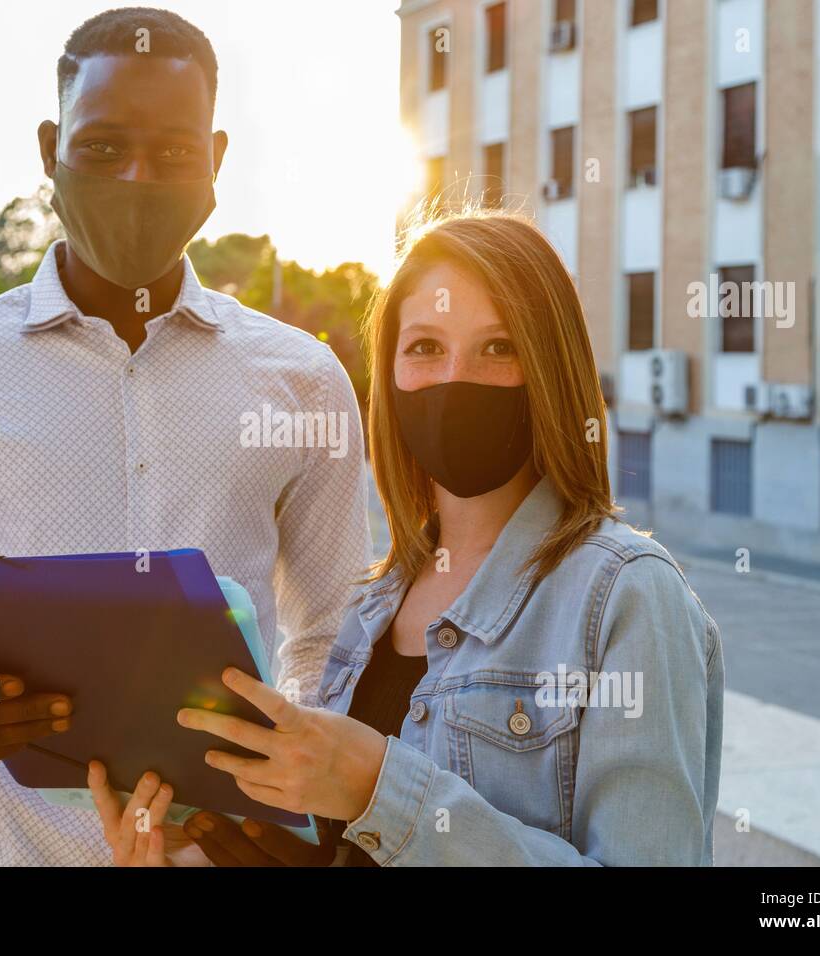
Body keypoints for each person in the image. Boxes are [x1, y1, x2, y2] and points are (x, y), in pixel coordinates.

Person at [0, 7, 370, 867]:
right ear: (50, 150)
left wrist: (296, 790)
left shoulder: (302, 378)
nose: (138, 175)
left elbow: (331, 631)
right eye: (104, 147)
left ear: (217, 161)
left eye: (174, 151)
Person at [152, 210, 724, 866]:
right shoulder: (364, 611)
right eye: (425, 347)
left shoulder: (628, 594)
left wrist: (381, 789)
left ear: (550, 368)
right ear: (388, 380)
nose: (456, 378)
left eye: (498, 347)